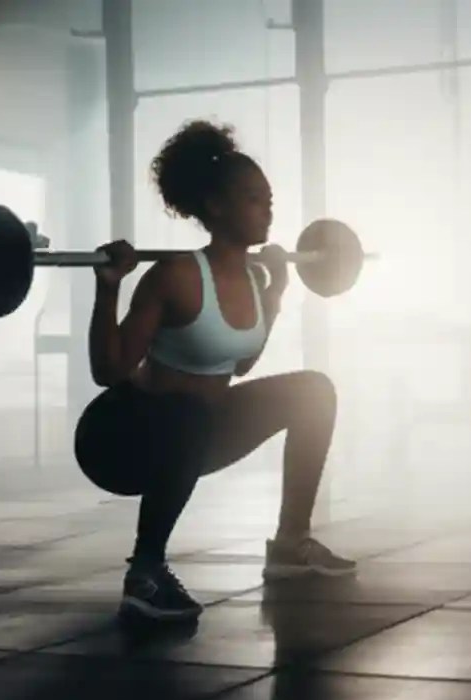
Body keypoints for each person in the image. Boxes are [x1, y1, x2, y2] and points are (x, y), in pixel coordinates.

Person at [74, 120, 354, 623]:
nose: (267, 208)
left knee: (315, 391)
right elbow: (108, 369)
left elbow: (239, 362)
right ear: (216, 206)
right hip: (120, 437)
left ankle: (291, 543)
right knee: (190, 412)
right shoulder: (176, 275)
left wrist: (275, 293)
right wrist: (109, 286)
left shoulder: (253, 277)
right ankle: (145, 570)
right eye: (253, 198)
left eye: (269, 198)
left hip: (197, 430)